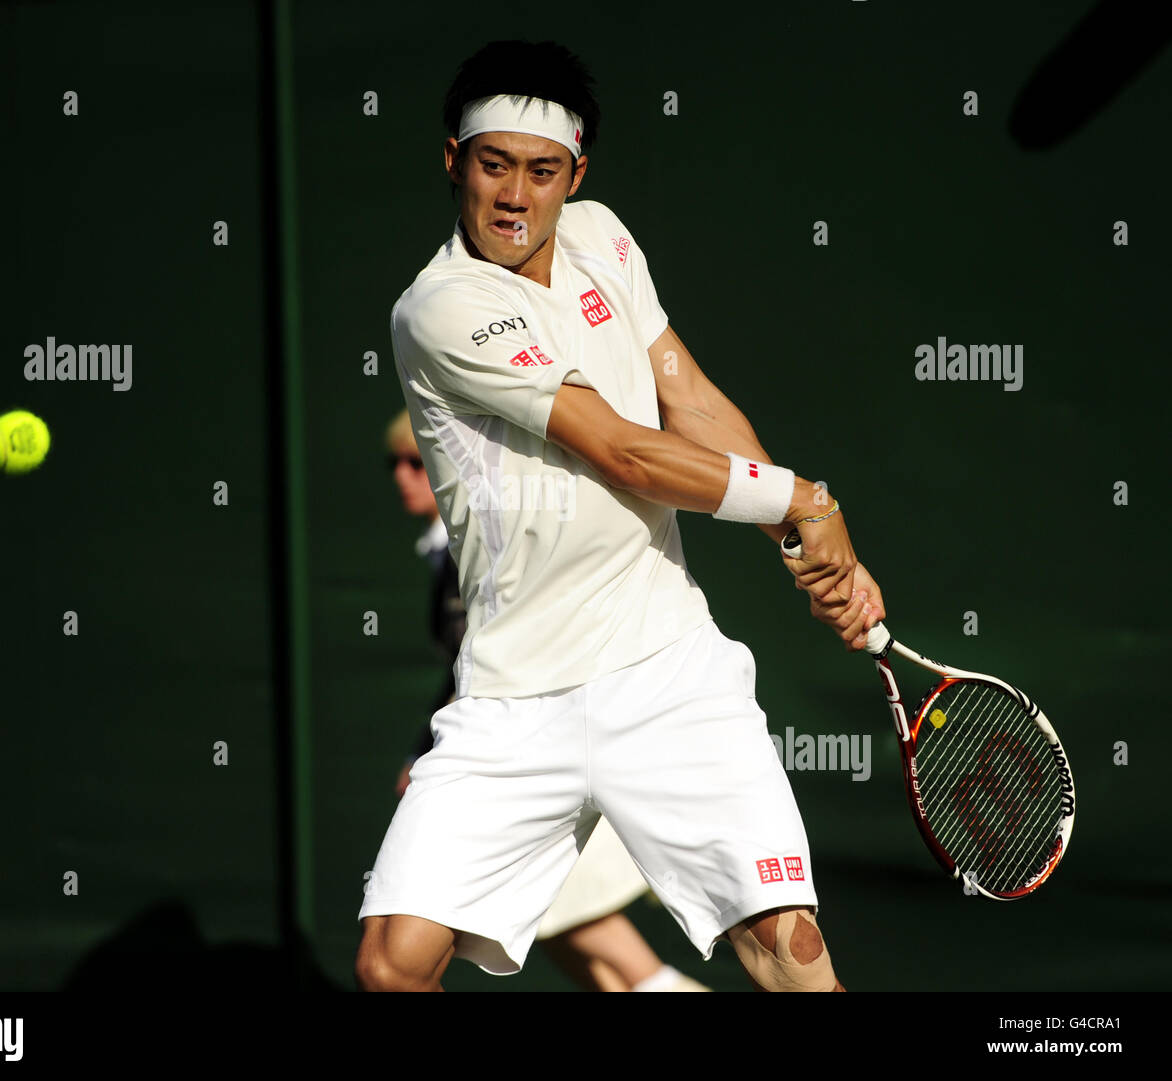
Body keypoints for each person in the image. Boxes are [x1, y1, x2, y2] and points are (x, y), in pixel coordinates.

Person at [357, 39, 885, 992]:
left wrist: (806, 543)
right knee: (394, 967)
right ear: (453, 160)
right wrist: (806, 499)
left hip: (668, 672)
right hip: (513, 696)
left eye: (543, 170)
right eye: (494, 164)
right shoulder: (438, 307)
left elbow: (685, 398)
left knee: (793, 958)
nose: (516, 195)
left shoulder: (603, 236)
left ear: (577, 174)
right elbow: (625, 450)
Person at [383, 409, 706, 992]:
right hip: (533, 761)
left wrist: (426, 751)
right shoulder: (451, 547)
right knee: (575, 949)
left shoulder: (481, 544)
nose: (404, 475)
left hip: (550, 763)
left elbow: (480, 664)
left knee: (612, 954)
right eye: (394, 464)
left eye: (415, 460)